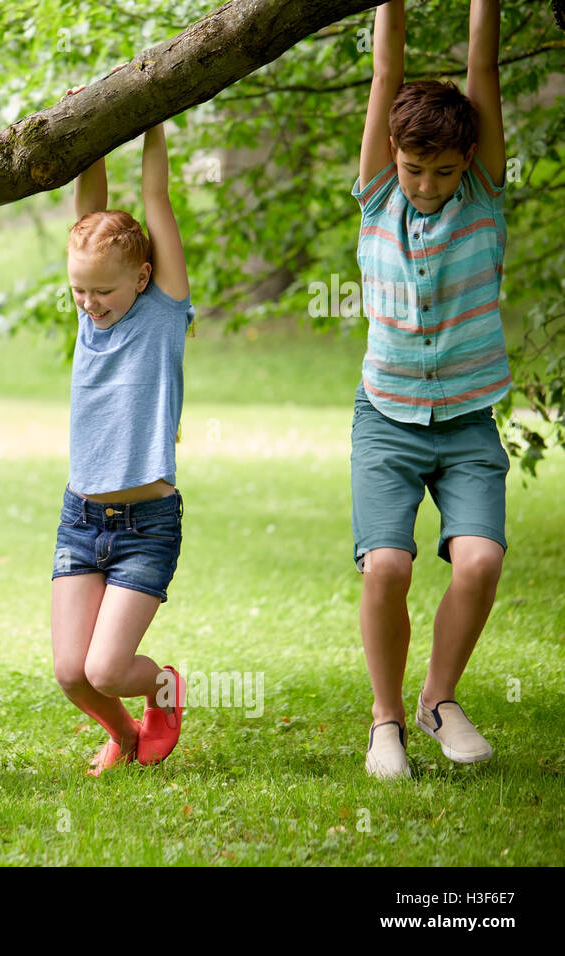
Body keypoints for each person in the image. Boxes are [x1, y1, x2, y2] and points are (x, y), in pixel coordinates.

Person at [353, 1, 510, 780]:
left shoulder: (480, 197)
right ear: (393, 155)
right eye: (416, 168)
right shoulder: (380, 194)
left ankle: (438, 700)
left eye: (443, 171)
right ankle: (386, 720)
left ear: (469, 162)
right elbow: (387, 71)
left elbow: (482, 72)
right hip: (385, 417)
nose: (427, 185)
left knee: (478, 561)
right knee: (387, 567)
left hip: (468, 420)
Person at [51, 117, 192, 776]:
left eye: (103, 291)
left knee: (107, 667)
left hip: (146, 524)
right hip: (81, 519)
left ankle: (162, 686)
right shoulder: (89, 319)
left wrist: (148, 118)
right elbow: (91, 205)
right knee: (72, 675)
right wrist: (97, 123)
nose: (89, 303)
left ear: (142, 275)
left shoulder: (162, 311)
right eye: (80, 290)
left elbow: (155, 198)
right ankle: (128, 736)